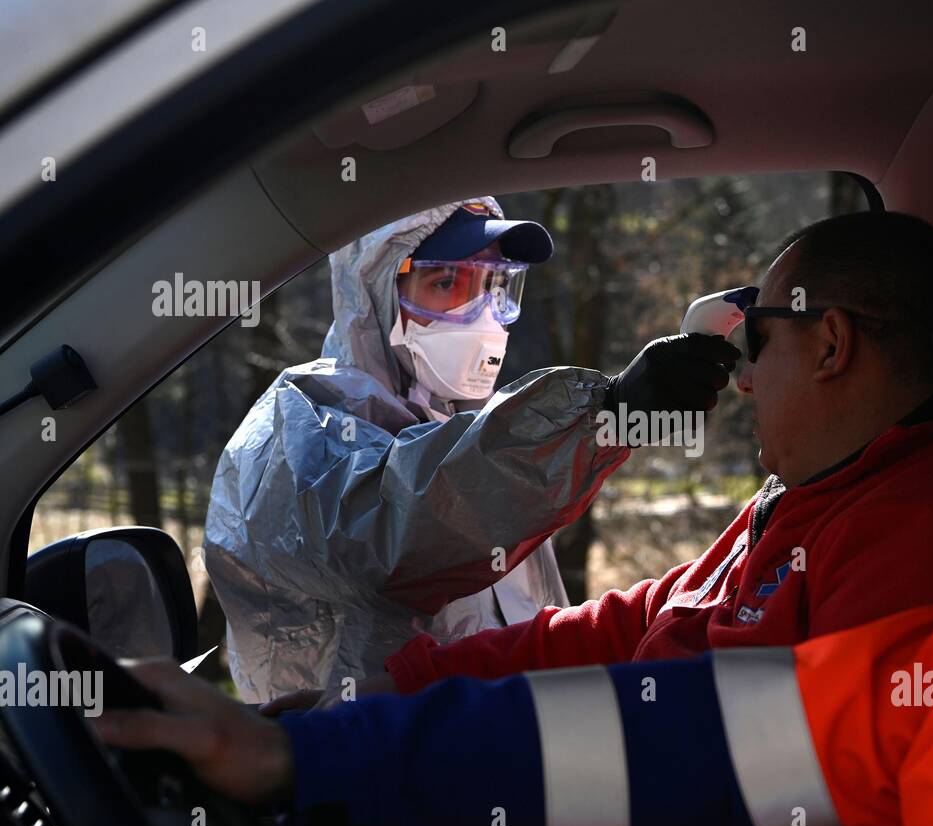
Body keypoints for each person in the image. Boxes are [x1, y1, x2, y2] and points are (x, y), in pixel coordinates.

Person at [265, 210, 933, 746]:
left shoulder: (923, 533)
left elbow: (729, 763)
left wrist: (402, 746)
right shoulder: (806, 498)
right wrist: (412, 687)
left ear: (832, 345)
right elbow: (639, 619)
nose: (744, 383)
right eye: (446, 283)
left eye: (755, 343)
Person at [204, 197, 738, 702]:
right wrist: (603, 414)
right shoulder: (300, 423)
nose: (484, 312)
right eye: (447, 283)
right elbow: (398, 534)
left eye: (498, 286)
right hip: (353, 772)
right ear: (380, 290)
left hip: (472, 759)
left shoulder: (466, 429)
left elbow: (529, 627)